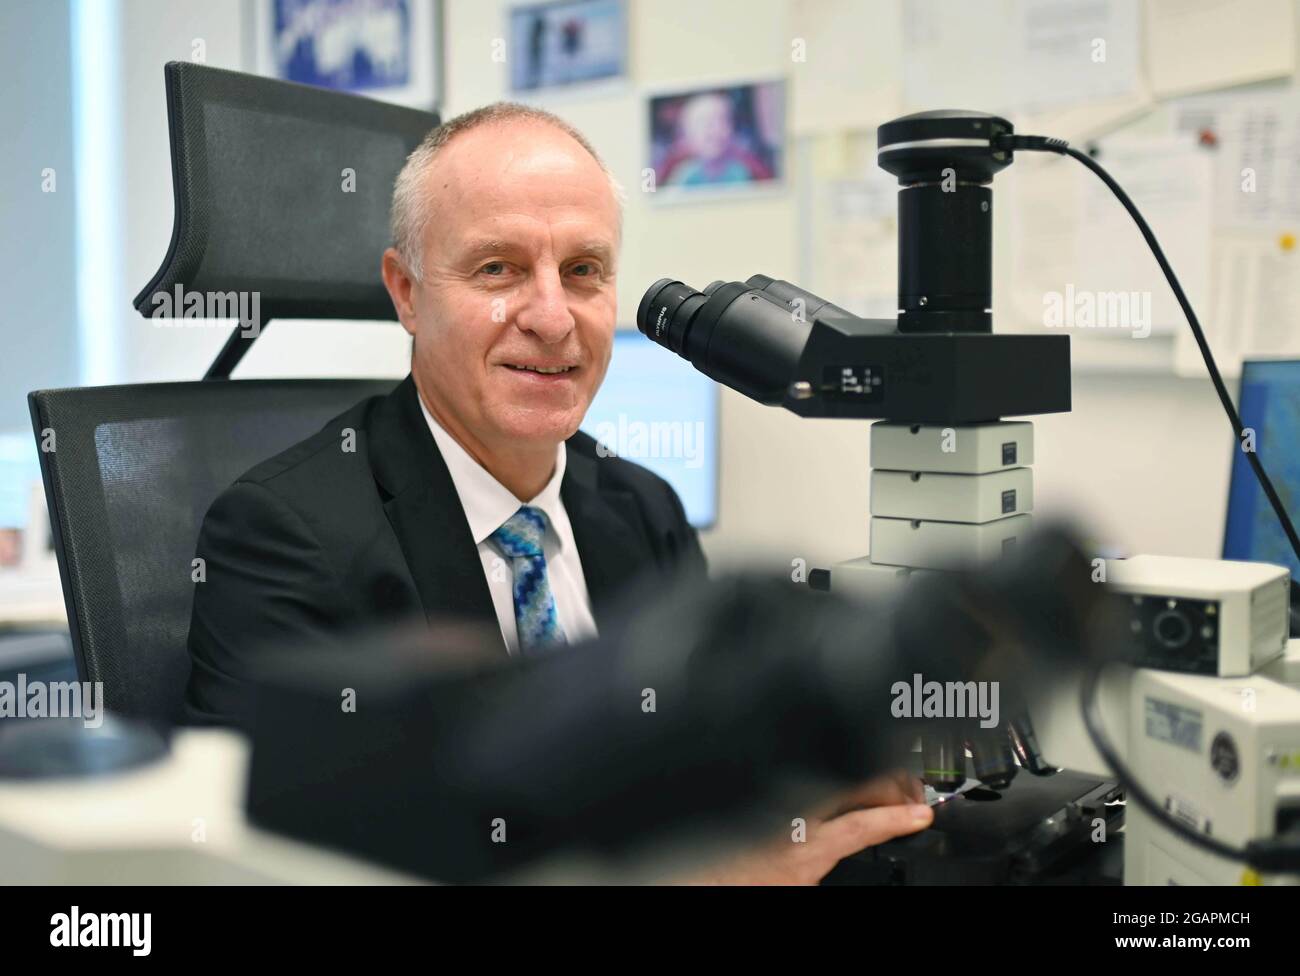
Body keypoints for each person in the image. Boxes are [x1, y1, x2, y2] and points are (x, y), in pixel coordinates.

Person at [184, 102, 931, 881]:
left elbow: (686, 773)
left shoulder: (645, 510)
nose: (551, 318)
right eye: (497, 268)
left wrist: (803, 792)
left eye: (583, 271)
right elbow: (263, 873)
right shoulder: (282, 536)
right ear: (406, 292)